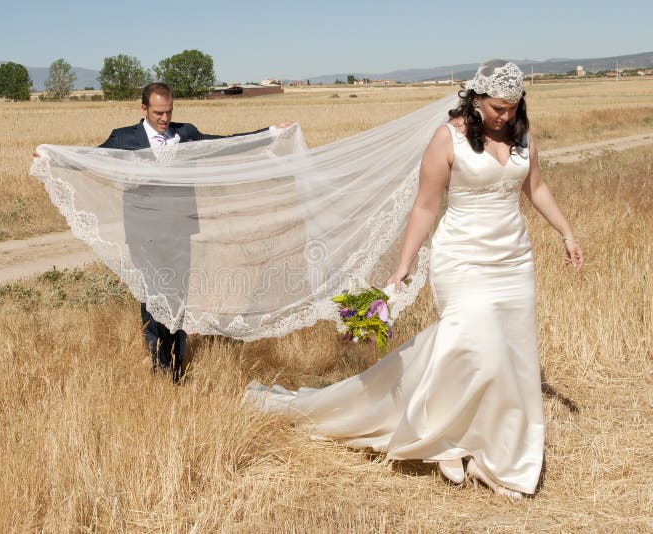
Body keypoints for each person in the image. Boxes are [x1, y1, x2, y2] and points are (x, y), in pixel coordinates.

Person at [244, 60, 584, 500]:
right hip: (462, 261)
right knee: (481, 346)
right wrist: (403, 266)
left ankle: (494, 451)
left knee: (514, 358)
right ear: (477, 99)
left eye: (513, 107)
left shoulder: (521, 136)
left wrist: (567, 232)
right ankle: (441, 436)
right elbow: (425, 206)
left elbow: (535, 187)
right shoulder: (448, 138)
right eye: (499, 108)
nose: (506, 116)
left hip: (514, 263)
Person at [99, 82, 290, 382]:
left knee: (178, 299)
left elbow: (224, 144)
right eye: (159, 113)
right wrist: (51, 156)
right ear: (144, 109)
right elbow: (89, 158)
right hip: (144, 234)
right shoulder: (123, 138)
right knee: (153, 298)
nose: (165, 118)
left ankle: (178, 366)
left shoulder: (185, 133)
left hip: (180, 230)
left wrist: (270, 133)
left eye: (169, 111)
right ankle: (159, 366)